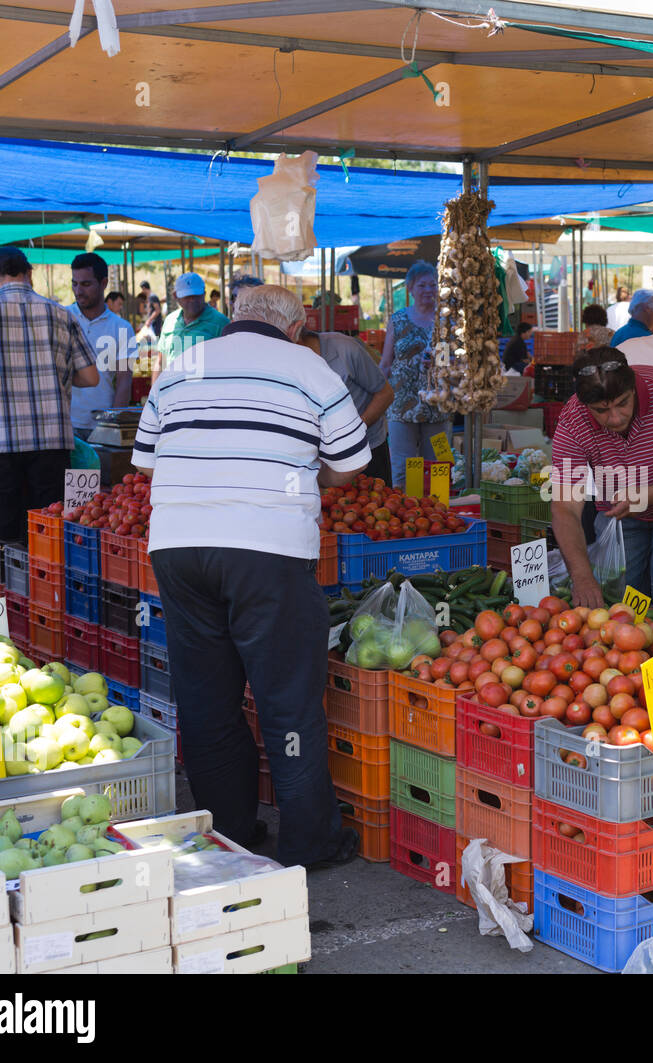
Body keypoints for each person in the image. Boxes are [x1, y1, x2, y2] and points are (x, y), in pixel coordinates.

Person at [131, 284, 369, 868]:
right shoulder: (308, 368)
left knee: (207, 698)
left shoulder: (181, 366)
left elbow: (144, 460)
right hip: (268, 549)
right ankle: (310, 843)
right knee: (287, 700)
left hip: (179, 548)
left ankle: (231, 833)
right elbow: (352, 464)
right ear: (296, 326)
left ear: (234, 320)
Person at [0, 247, 99, 542]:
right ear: (30, 274)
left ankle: (2, 584)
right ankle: (45, 586)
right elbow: (91, 377)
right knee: (47, 533)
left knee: (0, 533)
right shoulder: (61, 313)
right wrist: (57, 376)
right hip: (51, 446)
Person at [549, 346, 653, 616]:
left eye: (623, 403)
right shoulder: (573, 419)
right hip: (619, 514)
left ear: (634, 388)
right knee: (619, 599)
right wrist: (581, 576)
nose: (615, 418)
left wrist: (647, 495)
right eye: (601, 410)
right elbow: (566, 506)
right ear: (585, 404)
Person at [379, 260, 450, 488]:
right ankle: (405, 512)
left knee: (438, 465)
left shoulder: (444, 321)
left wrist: (437, 365)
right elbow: (386, 362)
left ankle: (439, 512)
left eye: (433, 285)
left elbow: (447, 359)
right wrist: (378, 399)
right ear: (410, 288)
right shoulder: (398, 319)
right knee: (403, 466)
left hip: (436, 405)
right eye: (422, 285)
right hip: (401, 405)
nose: (428, 290)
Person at [298, 327, 394, 483]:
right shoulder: (290, 363)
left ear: (296, 333)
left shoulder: (345, 348)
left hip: (368, 449)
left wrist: (355, 430)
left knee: (373, 501)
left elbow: (385, 394)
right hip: (322, 457)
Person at [66, 253, 137, 441]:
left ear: (104, 283)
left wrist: (110, 425)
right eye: (75, 283)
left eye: (86, 284)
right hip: (64, 427)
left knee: (98, 471)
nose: (78, 290)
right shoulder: (61, 318)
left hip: (101, 426)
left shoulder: (122, 328)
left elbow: (124, 381)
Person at [157, 272, 229, 367]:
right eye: (187, 297)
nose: (192, 300)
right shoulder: (169, 321)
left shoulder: (221, 323)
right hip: (170, 381)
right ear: (176, 296)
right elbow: (160, 361)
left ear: (204, 294)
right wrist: (155, 382)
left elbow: (228, 362)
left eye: (196, 296)